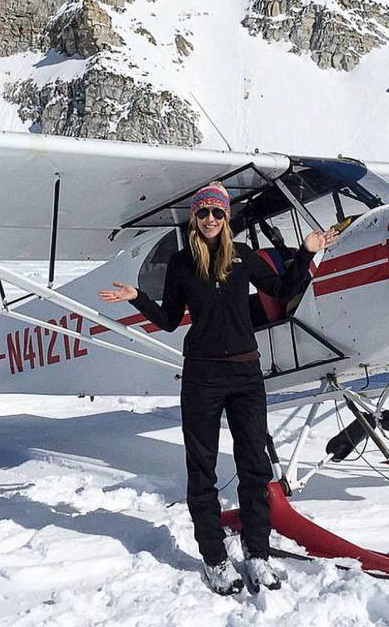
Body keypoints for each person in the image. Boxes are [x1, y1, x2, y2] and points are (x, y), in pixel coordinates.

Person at [99, 182, 337, 595]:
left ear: (227, 218)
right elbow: (171, 319)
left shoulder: (243, 257)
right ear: (195, 217)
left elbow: (282, 292)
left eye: (218, 213)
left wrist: (306, 252)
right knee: (202, 472)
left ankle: (257, 553)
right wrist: (137, 296)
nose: (210, 219)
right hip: (201, 378)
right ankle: (213, 558)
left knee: (255, 469)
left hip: (246, 377)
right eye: (203, 212)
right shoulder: (181, 263)